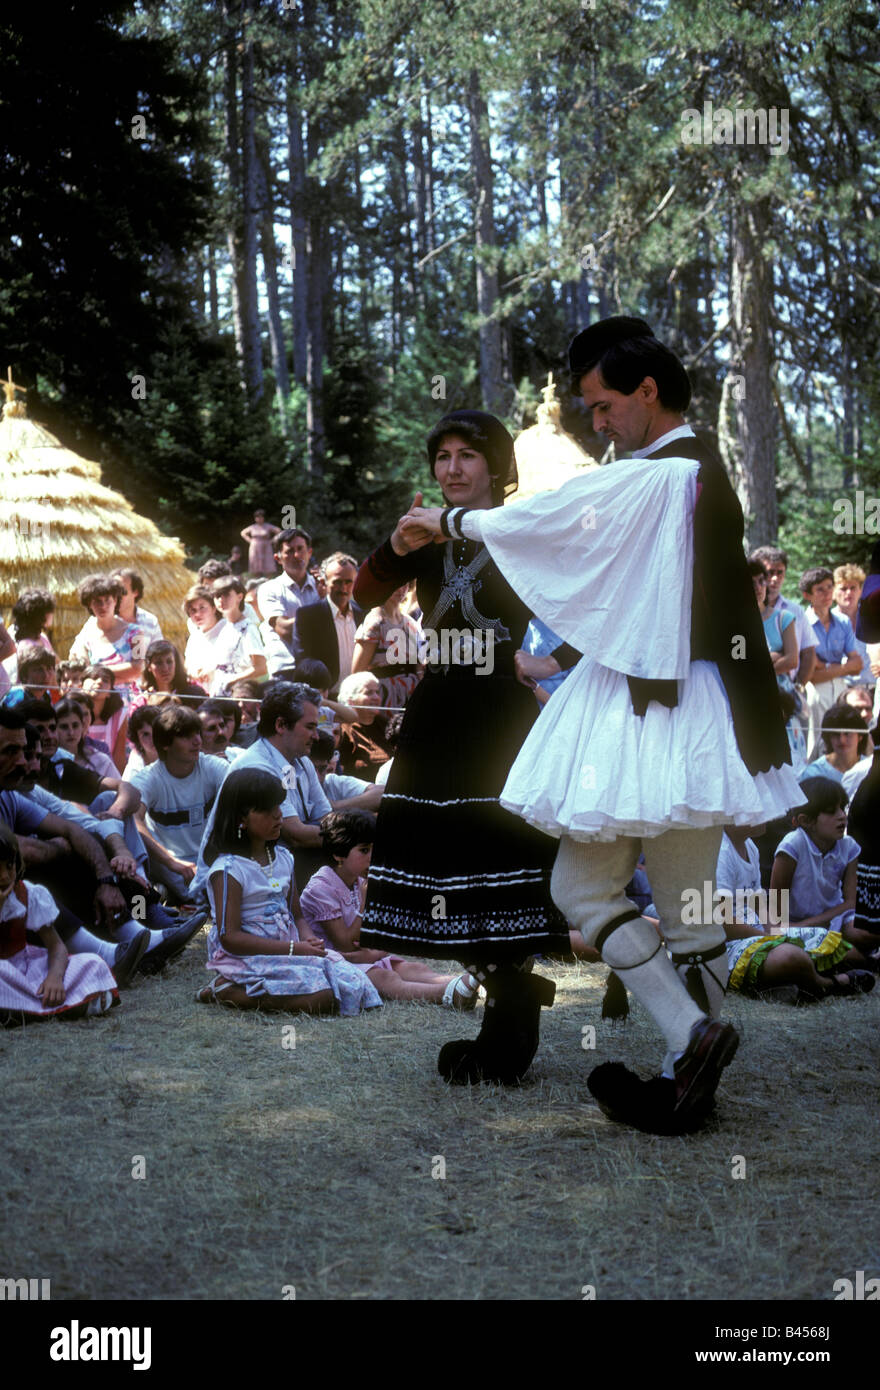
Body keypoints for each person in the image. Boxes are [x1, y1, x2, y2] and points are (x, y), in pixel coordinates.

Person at [401, 320, 805, 1131]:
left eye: (603, 404)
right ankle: (685, 1078)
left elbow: (559, 518)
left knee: (581, 887)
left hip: (653, 701)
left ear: (647, 393)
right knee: (691, 909)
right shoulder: (690, 470)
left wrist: (446, 524)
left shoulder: (666, 472)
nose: (597, 421)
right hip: (694, 701)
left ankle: (690, 1041)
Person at [354, 409, 571, 1087]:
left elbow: (591, 603)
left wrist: (548, 660)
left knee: (498, 855)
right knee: (445, 866)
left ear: (496, 466)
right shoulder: (423, 533)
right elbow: (364, 591)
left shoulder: (522, 528)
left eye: (467, 456)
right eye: (442, 455)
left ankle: (511, 1016)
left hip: (497, 717)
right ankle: (507, 1009)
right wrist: (394, 543)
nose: (451, 467)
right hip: (440, 706)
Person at [197, 769, 380, 1015]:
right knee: (322, 998)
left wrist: (307, 939)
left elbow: (297, 914)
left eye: (278, 806)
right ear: (241, 819)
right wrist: (294, 949)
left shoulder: (283, 858)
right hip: (248, 955)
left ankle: (251, 988)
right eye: (265, 809)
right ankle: (227, 991)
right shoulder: (229, 870)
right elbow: (230, 937)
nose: (278, 815)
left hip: (288, 947)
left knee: (351, 984)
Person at [300, 810, 479, 1008]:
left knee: (411, 967)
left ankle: (468, 983)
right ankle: (448, 993)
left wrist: (374, 954)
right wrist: (364, 905)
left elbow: (380, 931)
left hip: (364, 955)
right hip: (336, 961)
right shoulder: (320, 888)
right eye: (364, 850)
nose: (373, 857)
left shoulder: (360, 880)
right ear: (338, 854)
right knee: (386, 978)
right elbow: (345, 945)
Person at [190, 682, 331, 897]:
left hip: (275, 865)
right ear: (281, 725)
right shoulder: (256, 765)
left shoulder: (300, 761)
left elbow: (326, 819)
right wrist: (347, 836)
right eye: (310, 727)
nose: (317, 736)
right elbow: (297, 835)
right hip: (232, 882)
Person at [717, 824, 872, 1000]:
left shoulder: (750, 846)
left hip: (758, 932)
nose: (766, 814)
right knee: (791, 957)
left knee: (838, 947)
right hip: (733, 943)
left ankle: (797, 978)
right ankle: (825, 984)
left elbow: (758, 901)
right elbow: (724, 923)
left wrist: (774, 931)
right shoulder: (721, 852)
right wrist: (768, 937)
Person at [0, 824, 118, 1024]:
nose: (4, 876)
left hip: (27, 970)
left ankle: (26, 1010)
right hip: (4, 975)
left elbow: (56, 947)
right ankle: (65, 1008)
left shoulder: (27, 893)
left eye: (9, 866)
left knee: (92, 962)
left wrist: (54, 977)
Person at [130, 703, 228, 905]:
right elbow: (134, 819)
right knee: (203, 899)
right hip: (170, 863)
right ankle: (153, 902)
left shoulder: (213, 767)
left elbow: (243, 794)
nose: (197, 741)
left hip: (211, 858)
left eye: (198, 733)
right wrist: (170, 861)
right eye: (186, 736)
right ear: (165, 743)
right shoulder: (149, 778)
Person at [770, 777, 876, 961]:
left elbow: (851, 903)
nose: (842, 815)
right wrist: (800, 927)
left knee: (863, 933)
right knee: (844, 954)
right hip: (794, 924)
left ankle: (856, 955)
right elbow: (776, 912)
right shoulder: (792, 846)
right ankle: (863, 959)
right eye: (831, 811)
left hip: (835, 918)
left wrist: (813, 923)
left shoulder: (848, 847)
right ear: (805, 820)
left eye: (842, 807)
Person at [800, 566, 862, 757]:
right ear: (807, 595)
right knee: (815, 741)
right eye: (820, 589)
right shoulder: (802, 621)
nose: (827, 593)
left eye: (829, 587)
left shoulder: (842, 621)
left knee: (841, 738)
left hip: (841, 687)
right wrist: (843, 667)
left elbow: (857, 664)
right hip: (813, 690)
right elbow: (809, 672)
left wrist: (824, 666)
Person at [292, 553, 363, 694]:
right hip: (324, 698)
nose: (343, 588)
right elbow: (305, 663)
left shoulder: (363, 614)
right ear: (324, 582)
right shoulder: (308, 616)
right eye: (337, 582)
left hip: (358, 698)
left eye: (348, 582)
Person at [68, 574, 145, 704]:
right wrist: (121, 673)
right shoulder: (86, 634)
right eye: (97, 601)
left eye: (107, 600)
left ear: (115, 600)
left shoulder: (136, 632)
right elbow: (79, 665)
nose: (103, 606)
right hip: (96, 704)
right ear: (89, 604)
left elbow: (138, 668)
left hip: (127, 703)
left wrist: (97, 673)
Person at [748, 546, 818, 688]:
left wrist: (799, 687)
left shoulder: (793, 612)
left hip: (785, 690)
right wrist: (776, 657)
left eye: (780, 573)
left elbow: (807, 654)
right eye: (770, 572)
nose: (775, 578)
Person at [352, 582, 424, 710]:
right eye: (396, 584)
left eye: (405, 584)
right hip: (384, 696)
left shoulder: (410, 622)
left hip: (411, 694)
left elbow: (418, 665)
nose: (401, 589)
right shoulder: (374, 623)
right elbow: (357, 673)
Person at [257, 527, 321, 663]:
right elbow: (284, 629)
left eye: (300, 549)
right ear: (277, 558)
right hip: (287, 667)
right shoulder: (269, 589)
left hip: (319, 666)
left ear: (309, 552)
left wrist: (327, 597)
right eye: (289, 551)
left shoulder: (322, 587)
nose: (296, 556)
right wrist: (324, 607)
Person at [335, 673, 393, 781]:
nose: (376, 697)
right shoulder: (342, 731)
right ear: (350, 701)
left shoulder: (387, 725)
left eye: (377, 692)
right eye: (369, 693)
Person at [309, 728, 383, 811]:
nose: (318, 778)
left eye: (322, 769)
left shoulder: (332, 782)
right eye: (310, 770)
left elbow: (382, 793)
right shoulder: (292, 790)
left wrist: (336, 806)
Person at [804, 703, 871, 789]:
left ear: (860, 736)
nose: (841, 740)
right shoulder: (814, 773)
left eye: (847, 734)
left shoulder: (871, 769)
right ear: (828, 737)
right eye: (836, 734)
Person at [79, 665, 128, 772]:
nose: (100, 681)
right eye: (94, 677)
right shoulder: (71, 713)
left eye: (105, 680)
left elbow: (119, 759)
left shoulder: (119, 716)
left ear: (110, 692)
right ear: (81, 686)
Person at [135, 639, 206, 708]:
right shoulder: (143, 700)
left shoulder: (194, 692)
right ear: (149, 667)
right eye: (158, 663)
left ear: (176, 663)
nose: (165, 668)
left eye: (169, 662)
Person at [110, 568, 163, 646]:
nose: (117, 596)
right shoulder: (100, 621)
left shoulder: (151, 621)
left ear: (136, 592)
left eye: (122, 591)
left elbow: (160, 652)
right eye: (113, 591)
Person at [122, 706, 160, 780]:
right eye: (146, 734)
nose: (153, 739)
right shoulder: (134, 770)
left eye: (157, 732)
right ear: (137, 738)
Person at [240, 509, 282, 576]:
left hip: (266, 545)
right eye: (257, 517)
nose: (259, 519)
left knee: (267, 562)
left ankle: (268, 578)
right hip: (255, 546)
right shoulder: (253, 527)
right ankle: (256, 579)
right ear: (255, 518)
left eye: (261, 517)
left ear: (263, 518)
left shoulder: (267, 526)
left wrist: (272, 540)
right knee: (255, 562)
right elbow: (243, 533)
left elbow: (278, 531)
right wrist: (250, 541)